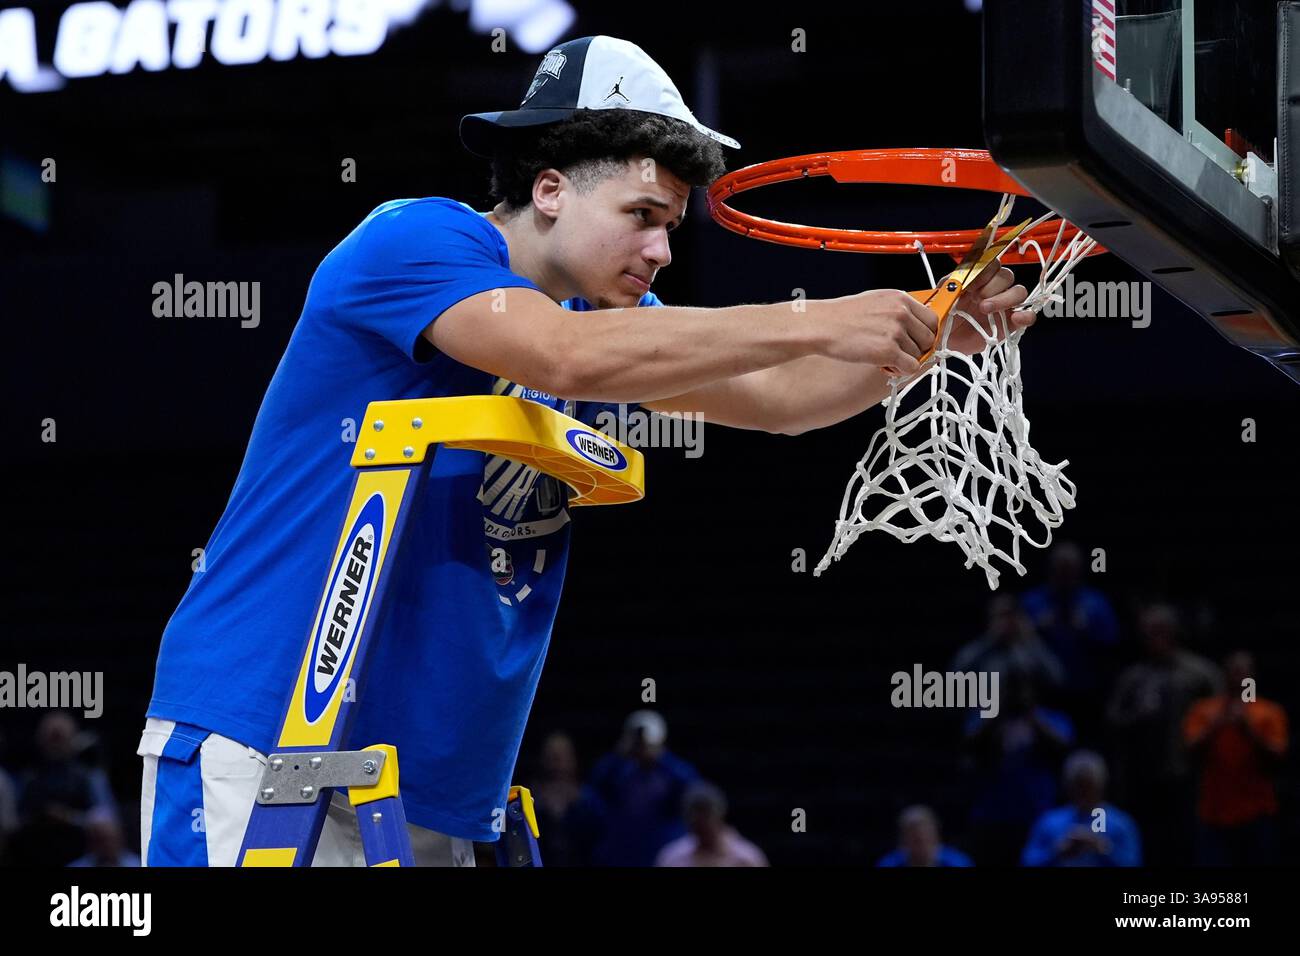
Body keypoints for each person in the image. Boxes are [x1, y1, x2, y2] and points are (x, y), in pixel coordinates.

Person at [140, 35, 1034, 866]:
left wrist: (935, 332)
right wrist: (819, 315)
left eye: (674, 226)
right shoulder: (417, 239)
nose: (661, 248)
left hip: (423, 781)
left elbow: (784, 405)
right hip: (263, 729)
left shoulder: (605, 323)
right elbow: (560, 356)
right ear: (551, 187)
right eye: (643, 213)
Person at [1183, 651, 1288, 865]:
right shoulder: (1204, 710)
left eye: (1244, 672)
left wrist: (1247, 729)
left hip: (1256, 813)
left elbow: (1279, 757)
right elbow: (1188, 751)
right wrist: (1217, 725)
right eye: (1234, 672)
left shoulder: (1268, 711)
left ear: (1252, 676)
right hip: (1214, 815)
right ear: (1225, 675)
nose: (1239, 677)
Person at [586, 711, 699, 866]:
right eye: (637, 743)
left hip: (662, 851)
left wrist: (662, 758)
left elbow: (691, 790)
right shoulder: (618, 769)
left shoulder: (674, 771)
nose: (642, 748)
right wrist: (619, 754)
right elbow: (594, 786)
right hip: (622, 852)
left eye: (646, 744)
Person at [1021, 750, 1141, 867]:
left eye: (1089, 787)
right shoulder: (1049, 822)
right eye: (1079, 787)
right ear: (1068, 786)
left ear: (1101, 786)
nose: (1084, 793)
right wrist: (1057, 851)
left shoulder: (1120, 824)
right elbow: (1028, 862)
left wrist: (1103, 849)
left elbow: (1133, 863)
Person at [655, 781, 768, 867]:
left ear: (720, 816)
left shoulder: (746, 858)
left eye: (706, 818)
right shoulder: (671, 858)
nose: (702, 827)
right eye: (696, 822)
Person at [877, 805, 972, 867]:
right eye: (916, 840)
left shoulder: (959, 863)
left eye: (927, 838)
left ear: (936, 836)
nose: (923, 845)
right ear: (903, 841)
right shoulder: (888, 864)